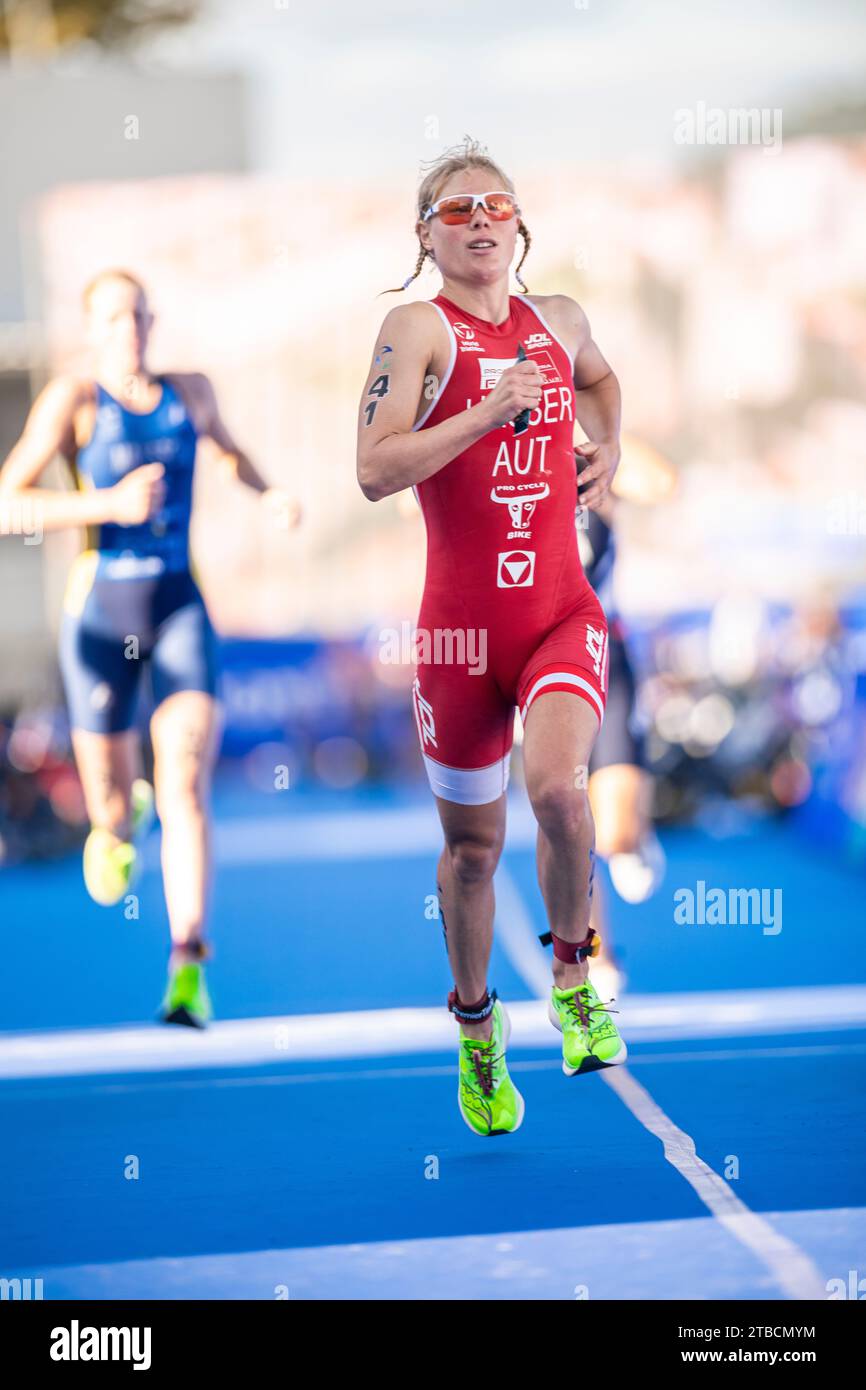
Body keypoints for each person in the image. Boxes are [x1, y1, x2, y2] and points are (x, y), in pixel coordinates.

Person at [357, 139, 626, 1137]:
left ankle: (571, 974)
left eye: (497, 205)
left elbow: (599, 381)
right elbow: (374, 470)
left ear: (519, 224)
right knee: (472, 852)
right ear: (425, 236)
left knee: (560, 788)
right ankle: (476, 1031)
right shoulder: (414, 330)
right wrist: (483, 411)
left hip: (557, 612)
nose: (480, 221)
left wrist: (610, 450)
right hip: (459, 642)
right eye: (456, 209)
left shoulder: (558, 321)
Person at [0, 269, 299, 1027]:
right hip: (100, 616)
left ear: (151, 321)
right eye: (111, 319)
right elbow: (9, 503)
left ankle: (189, 960)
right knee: (112, 807)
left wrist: (270, 496)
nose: (126, 330)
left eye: (136, 316)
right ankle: (114, 820)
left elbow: (230, 453)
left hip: (176, 608)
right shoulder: (72, 402)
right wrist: (105, 504)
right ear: (92, 329)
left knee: (186, 776)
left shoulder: (189, 392)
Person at [576, 440, 676, 999]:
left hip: (604, 657)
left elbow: (661, 482)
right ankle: (596, 955)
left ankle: (635, 834)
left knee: (613, 836)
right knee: (570, 823)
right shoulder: (506, 462)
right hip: (537, 669)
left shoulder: (590, 470)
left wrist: (600, 439)